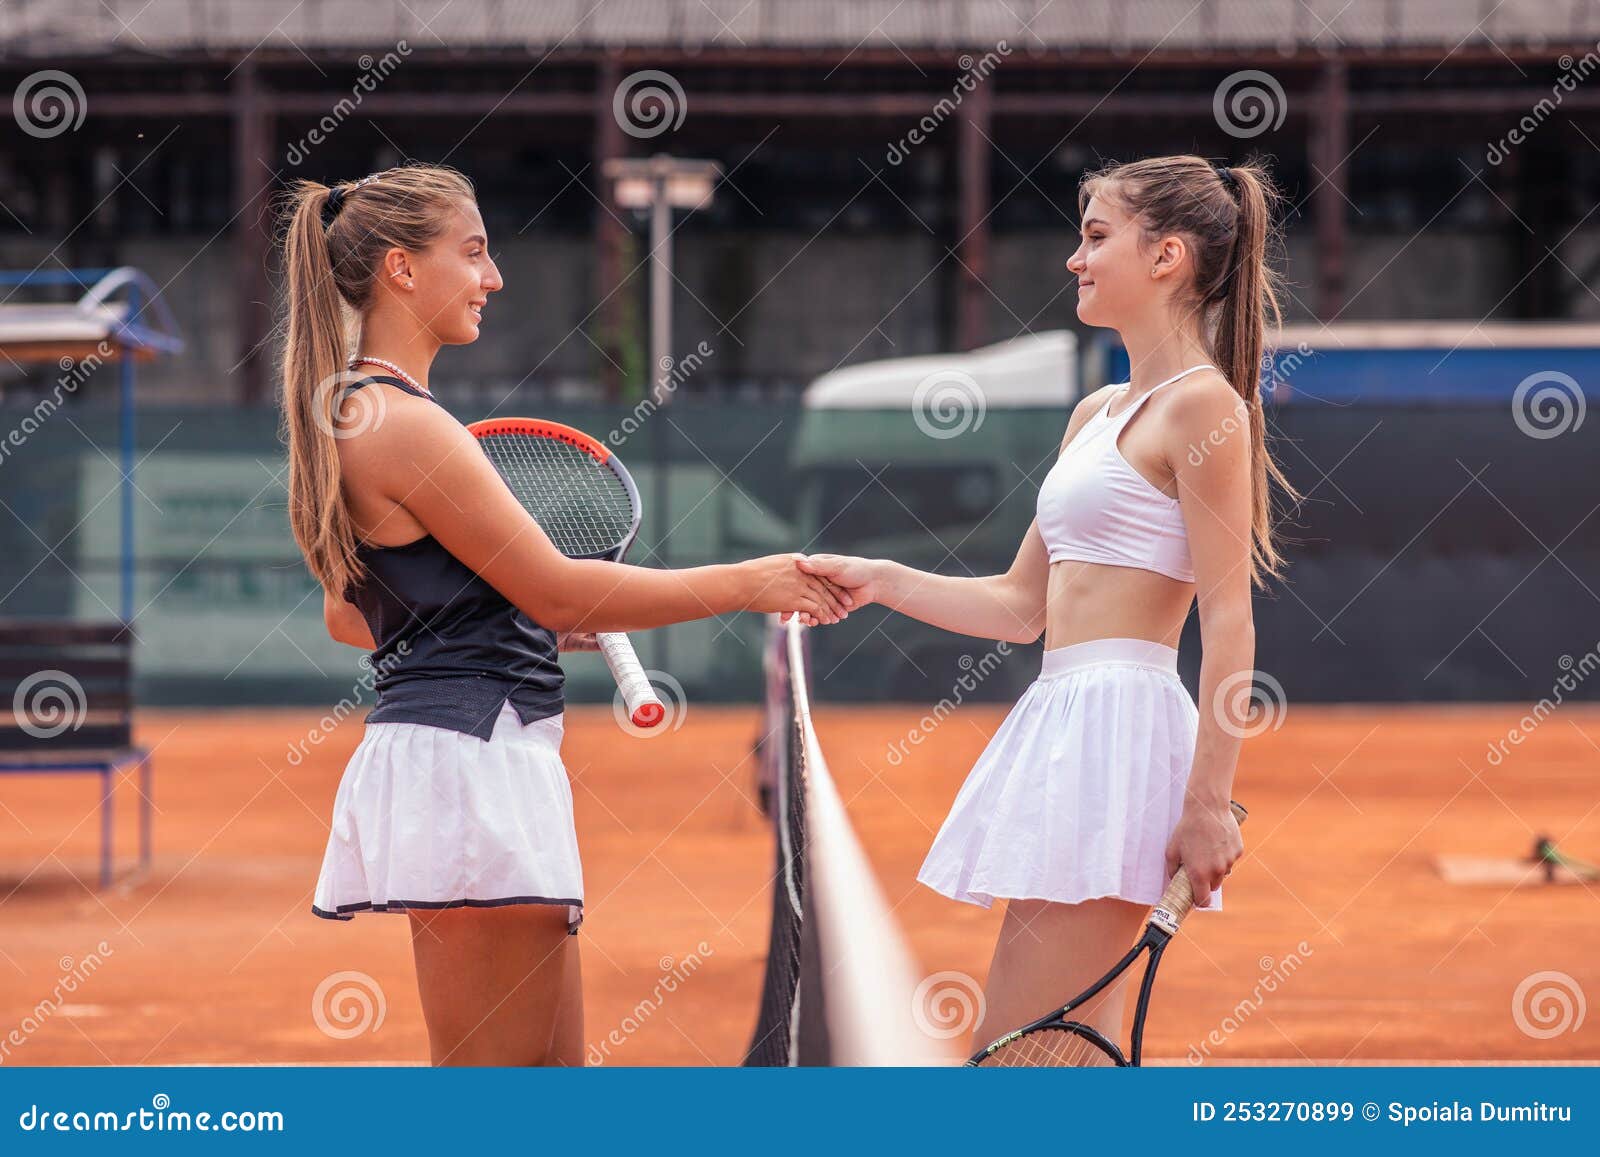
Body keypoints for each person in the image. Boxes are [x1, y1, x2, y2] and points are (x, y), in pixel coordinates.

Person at [278, 163, 850, 1066]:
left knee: (553, 1085)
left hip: (480, 752)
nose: (494, 278)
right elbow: (559, 587)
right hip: (471, 760)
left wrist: (521, 622)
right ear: (400, 269)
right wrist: (753, 579)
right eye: (472, 254)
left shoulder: (366, 413)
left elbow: (356, 618)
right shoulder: (403, 424)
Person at [800, 155, 1297, 1056]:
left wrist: (1210, 801)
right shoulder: (1097, 412)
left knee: (1021, 1054)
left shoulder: (1204, 410)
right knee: (1048, 1057)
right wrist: (879, 577)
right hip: (1063, 726)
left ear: (1167, 257)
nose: (1075, 258)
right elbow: (1020, 605)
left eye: (1096, 236)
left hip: (1122, 736)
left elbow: (1230, 619)